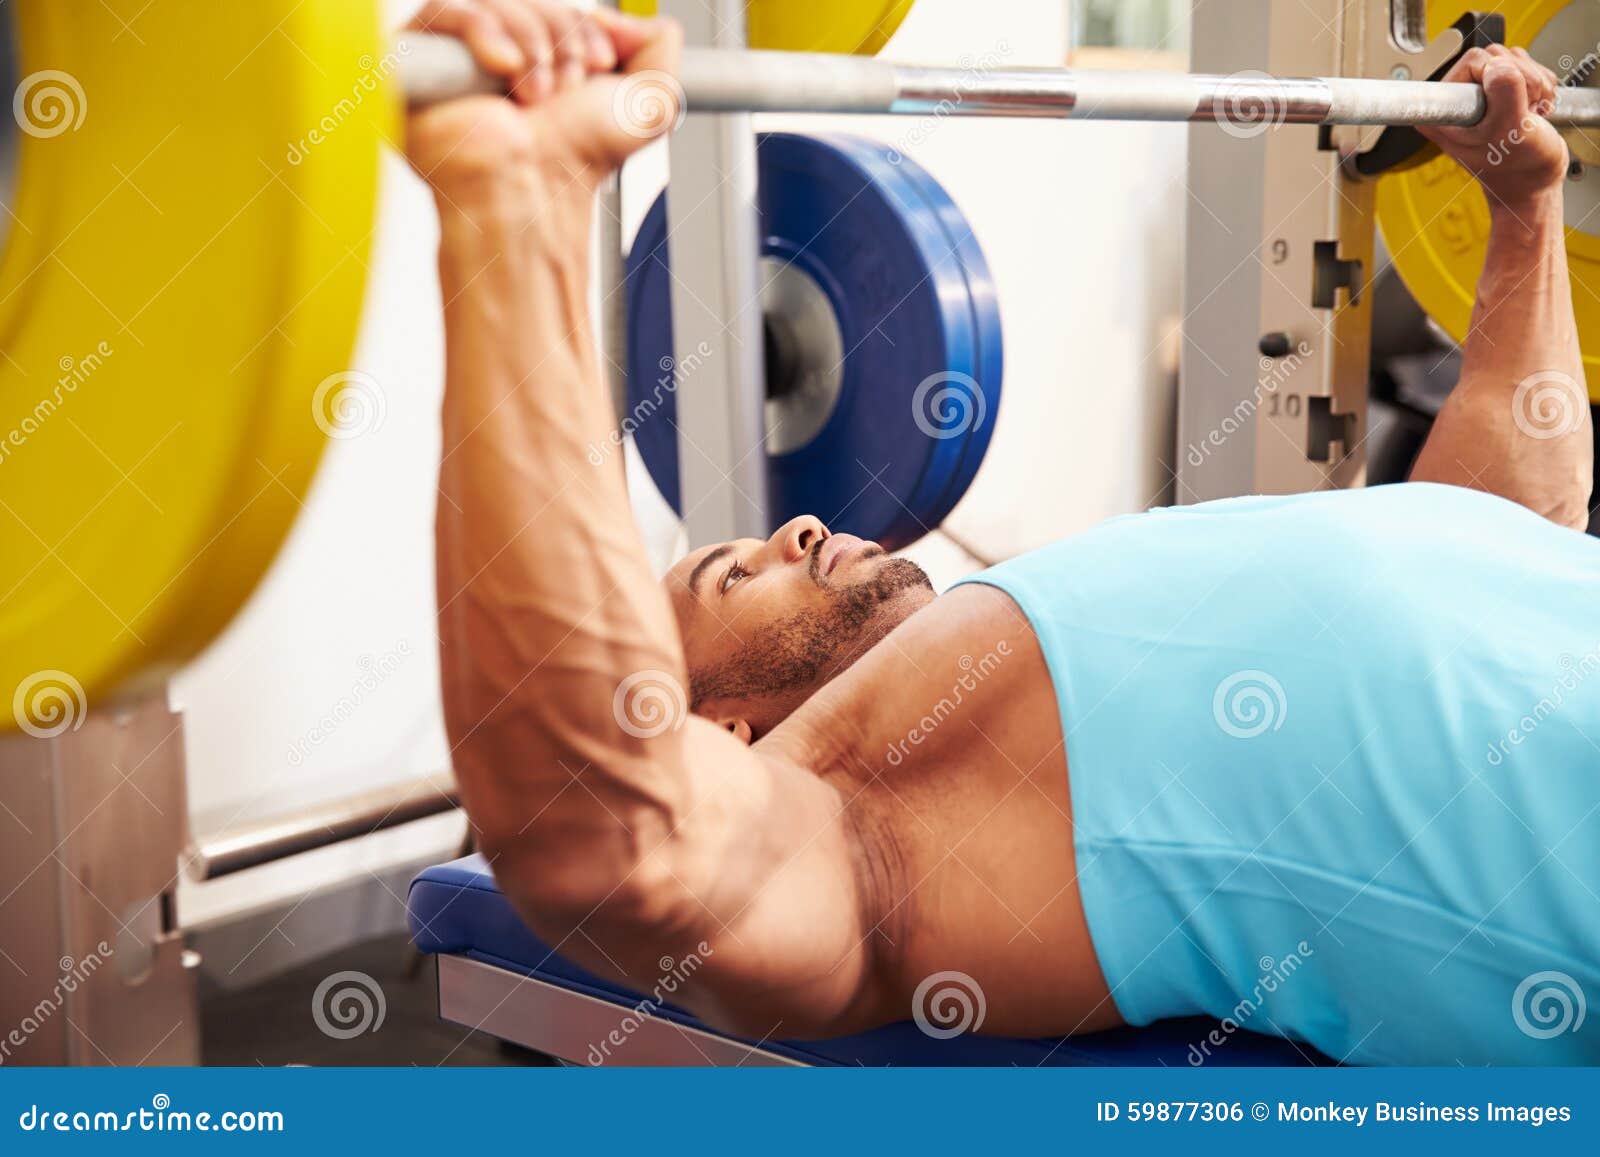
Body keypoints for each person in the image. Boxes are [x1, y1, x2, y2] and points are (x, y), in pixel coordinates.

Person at [407, 0, 1599, 1064]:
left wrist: (1523, 205)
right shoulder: (860, 835)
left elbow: (1501, 523)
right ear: (710, 723)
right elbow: (604, 835)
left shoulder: (1047, 618)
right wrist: (517, 208)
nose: (797, 525)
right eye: (732, 574)